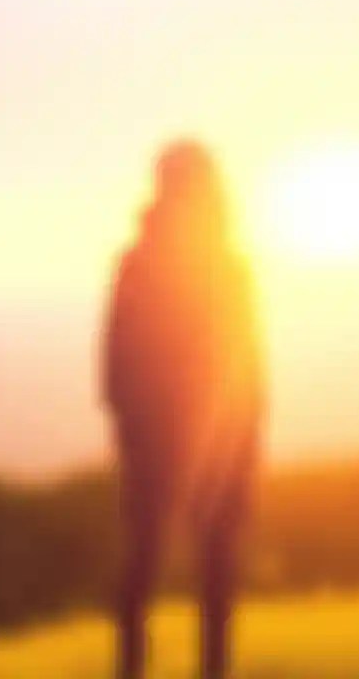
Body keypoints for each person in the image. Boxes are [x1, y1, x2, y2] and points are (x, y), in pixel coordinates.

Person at [102, 140, 265, 679]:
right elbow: (119, 368)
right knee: (187, 571)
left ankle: (146, 669)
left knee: (172, 569)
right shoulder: (217, 267)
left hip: (194, 448)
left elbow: (248, 370)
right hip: (187, 447)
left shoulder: (156, 265)